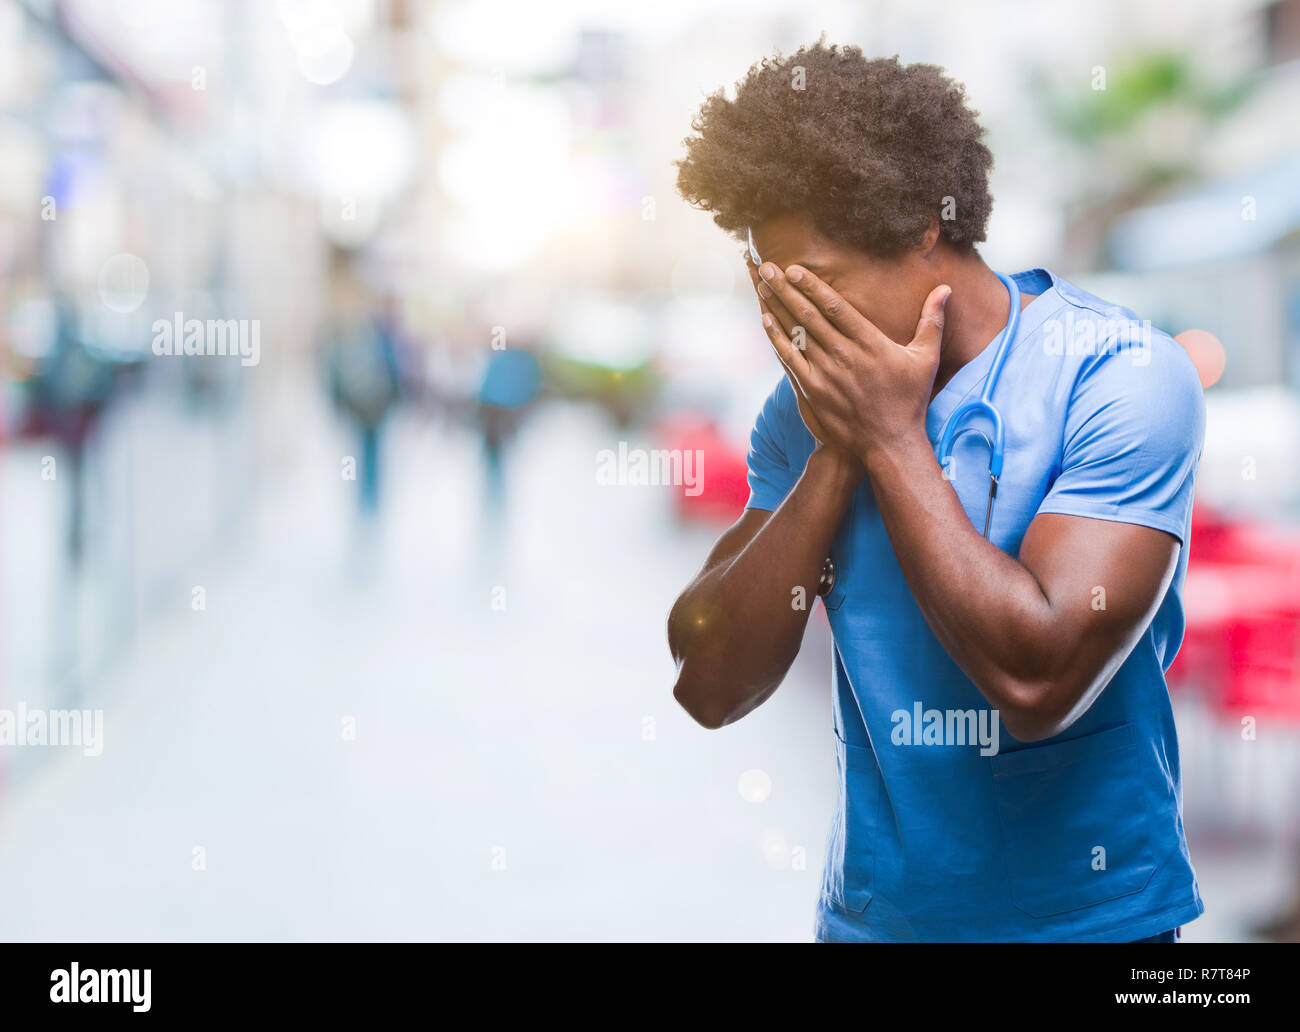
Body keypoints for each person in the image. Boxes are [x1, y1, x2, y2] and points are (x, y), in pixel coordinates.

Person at [667, 42, 1206, 943]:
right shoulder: (802, 413)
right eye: (771, 287)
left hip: (1097, 928)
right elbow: (708, 679)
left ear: (925, 225)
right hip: (878, 924)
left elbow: (1037, 679)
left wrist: (888, 436)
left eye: (818, 285)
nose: (790, 320)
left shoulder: (1122, 376)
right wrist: (838, 453)